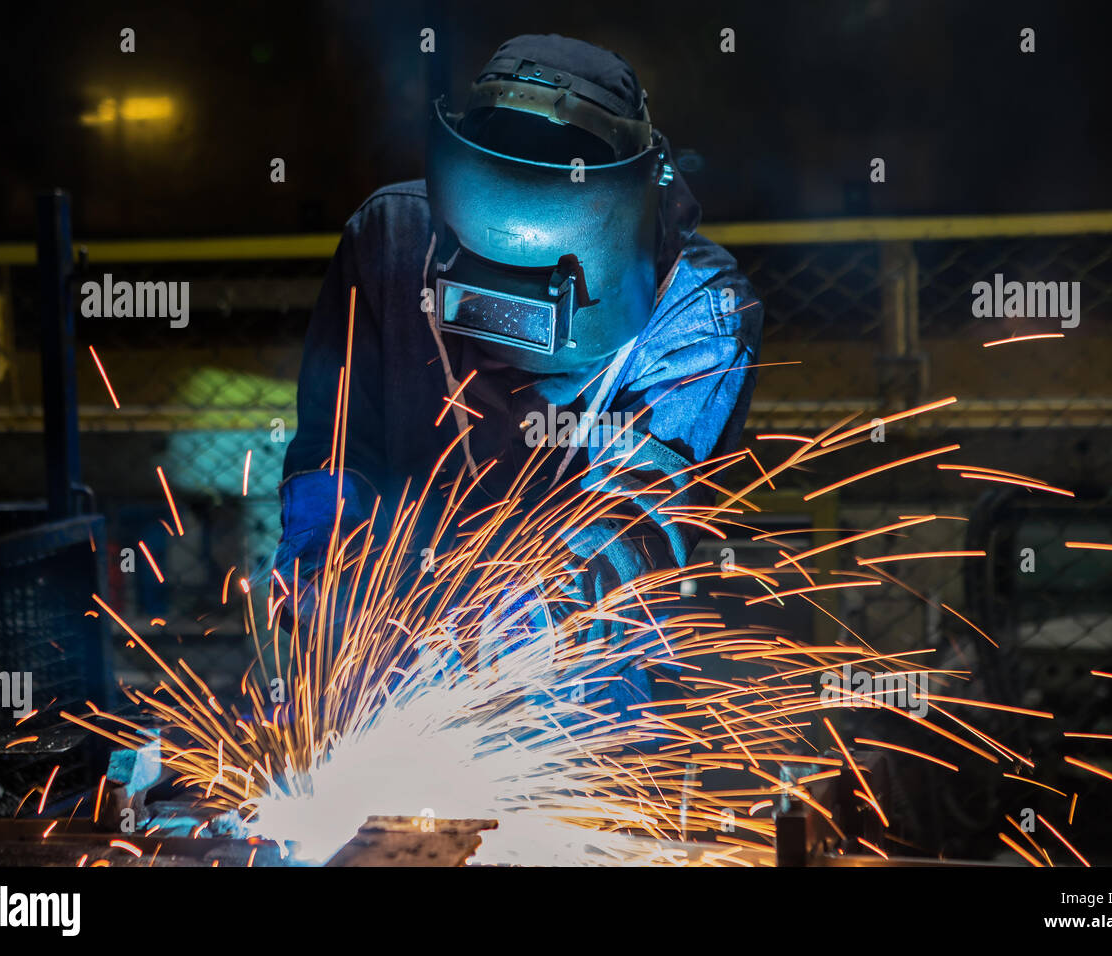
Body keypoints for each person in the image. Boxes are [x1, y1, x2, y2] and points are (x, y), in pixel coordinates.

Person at [274, 33, 763, 715]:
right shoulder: (391, 242)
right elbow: (336, 446)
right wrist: (323, 557)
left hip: (587, 691)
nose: (504, 360)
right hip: (388, 676)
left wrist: (531, 618)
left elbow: (642, 512)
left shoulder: (698, 312)